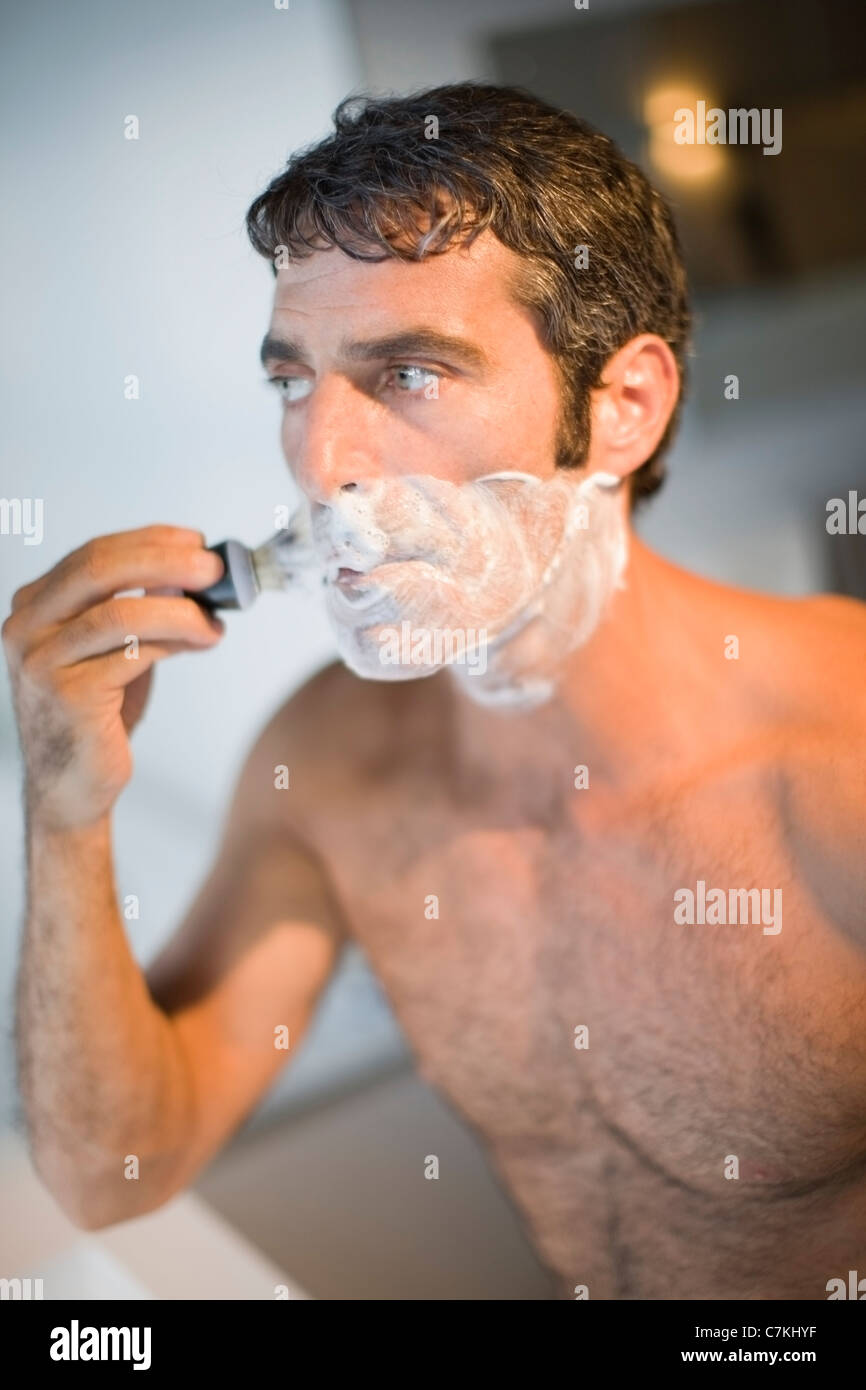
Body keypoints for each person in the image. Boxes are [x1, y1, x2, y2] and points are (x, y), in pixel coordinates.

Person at [5, 83, 865, 1301]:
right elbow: (113, 1169)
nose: (318, 458)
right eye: (292, 380)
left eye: (405, 372)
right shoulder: (333, 766)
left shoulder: (843, 750)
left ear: (623, 407)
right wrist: (63, 808)